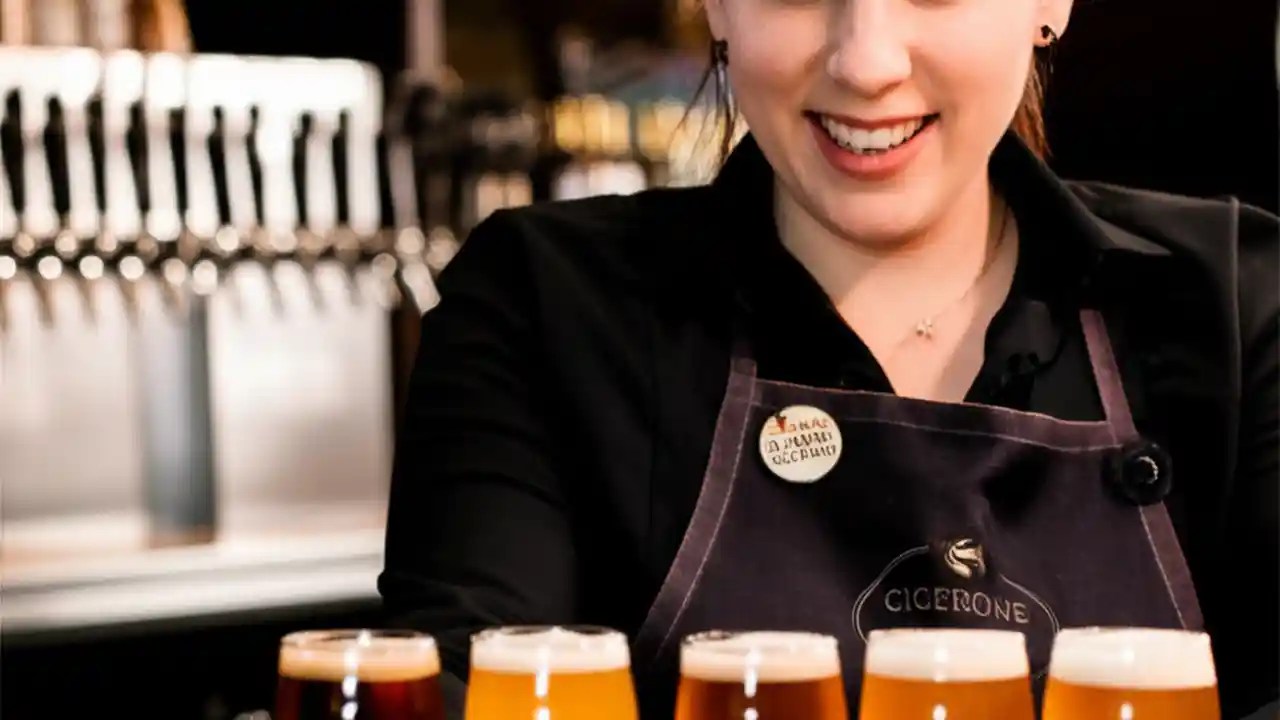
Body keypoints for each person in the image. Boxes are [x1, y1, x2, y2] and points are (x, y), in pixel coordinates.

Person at [379, 0, 1279, 717]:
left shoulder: (1239, 307)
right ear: (716, 6)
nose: (866, 62)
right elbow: (459, 686)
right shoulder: (545, 305)